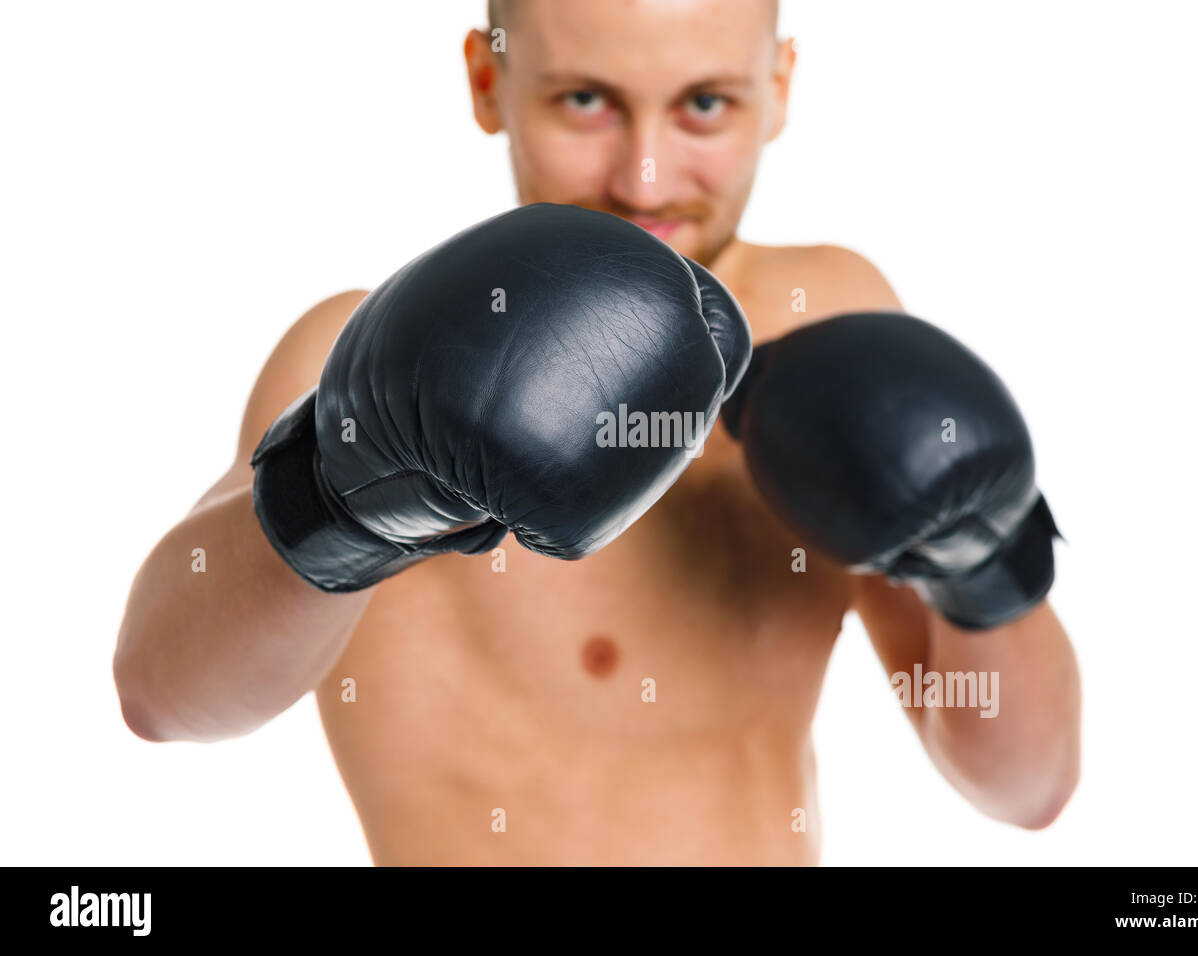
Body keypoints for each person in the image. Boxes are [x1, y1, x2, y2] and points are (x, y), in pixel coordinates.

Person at [114, 0, 1080, 866]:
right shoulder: (367, 357)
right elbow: (159, 696)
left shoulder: (834, 310)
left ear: (780, 88)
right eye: (585, 100)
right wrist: (345, 495)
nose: (644, 179)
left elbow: (1029, 786)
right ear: (487, 80)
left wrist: (979, 557)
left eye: (705, 103)